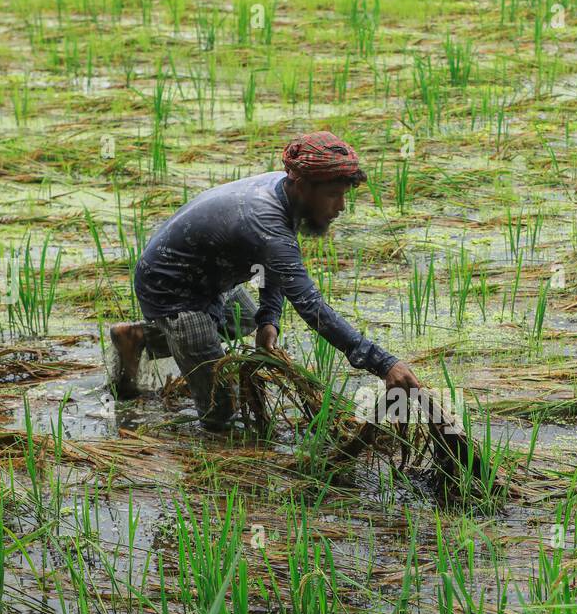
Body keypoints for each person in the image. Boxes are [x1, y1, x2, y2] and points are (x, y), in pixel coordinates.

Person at [108, 131, 421, 428]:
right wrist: (382, 363)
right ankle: (160, 350)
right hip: (172, 289)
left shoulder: (286, 194)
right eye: (333, 195)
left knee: (247, 320)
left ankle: (137, 337)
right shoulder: (266, 219)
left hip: (211, 277)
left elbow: (269, 264)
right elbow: (310, 305)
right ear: (300, 184)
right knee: (221, 413)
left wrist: (268, 319)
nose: (340, 207)